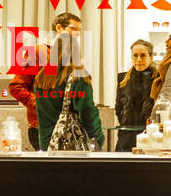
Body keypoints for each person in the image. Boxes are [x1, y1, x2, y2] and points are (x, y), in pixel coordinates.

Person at [8, 11, 81, 149]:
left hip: (67, 128)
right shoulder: (38, 52)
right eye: (73, 28)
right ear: (59, 28)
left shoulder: (71, 58)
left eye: (79, 30)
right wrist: (41, 105)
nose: (77, 33)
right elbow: (16, 87)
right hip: (43, 127)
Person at [34, 29, 104, 151]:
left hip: (47, 144)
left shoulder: (41, 78)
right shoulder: (79, 77)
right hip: (71, 147)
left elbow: (41, 115)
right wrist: (97, 139)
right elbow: (88, 113)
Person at [114, 38, 157, 151]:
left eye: (143, 55)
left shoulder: (158, 79)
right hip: (126, 137)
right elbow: (118, 107)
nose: (138, 59)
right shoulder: (123, 78)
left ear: (151, 57)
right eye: (135, 55)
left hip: (152, 136)